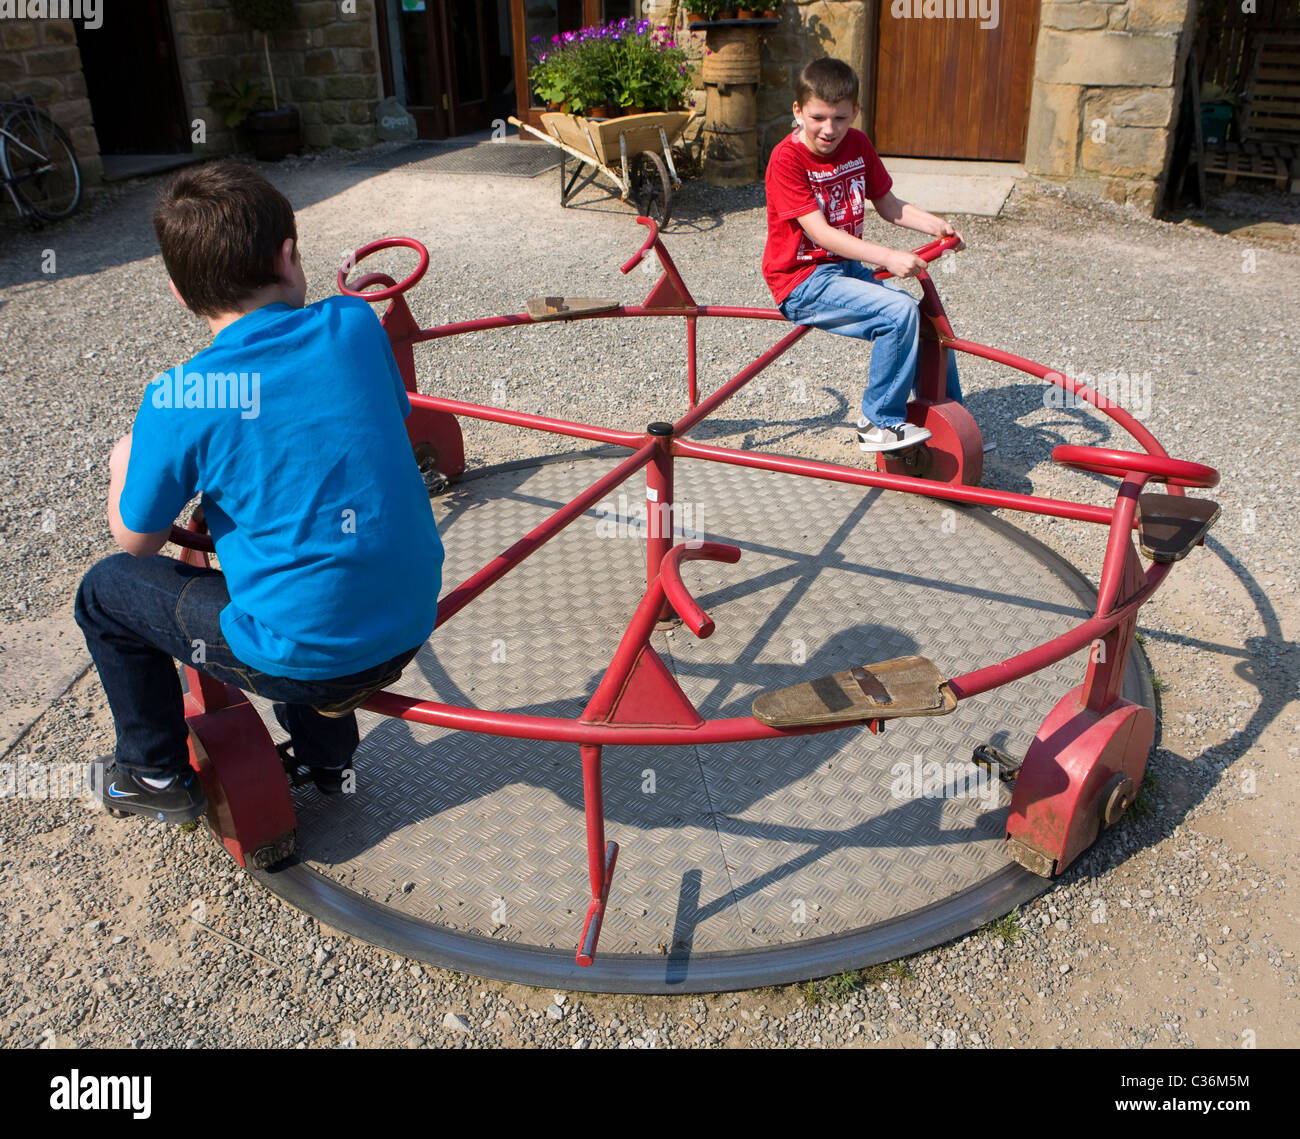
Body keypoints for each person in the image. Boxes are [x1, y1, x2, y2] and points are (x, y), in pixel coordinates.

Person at [76, 161, 444, 823]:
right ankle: (327, 760)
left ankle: (152, 769)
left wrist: (121, 467)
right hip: (413, 618)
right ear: (289, 257)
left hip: (307, 654)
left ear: (177, 291)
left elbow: (137, 538)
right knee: (308, 563)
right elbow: (384, 416)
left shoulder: (181, 395)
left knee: (104, 591)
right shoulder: (354, 326)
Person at [762, 56, 965, 452]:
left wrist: (936, 225)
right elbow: (820, 233)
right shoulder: (787, 160)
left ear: (855, 111)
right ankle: (879, 422)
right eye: (818, 117)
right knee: (897, 312)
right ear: (798, 111)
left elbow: (889, 205)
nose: (829, 129)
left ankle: (950, 420)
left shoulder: (857, 144)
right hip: (801, 280)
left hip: (844, 270)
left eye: (840, 118)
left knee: (924, 319)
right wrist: (888, 256)